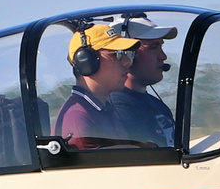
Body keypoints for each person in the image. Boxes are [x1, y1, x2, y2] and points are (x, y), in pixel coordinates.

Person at [54, 15, 178, 149]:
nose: (126, 62)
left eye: (126, 54)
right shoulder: (78, 118)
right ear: (87, 62)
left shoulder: (105, 110)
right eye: (115, 55)